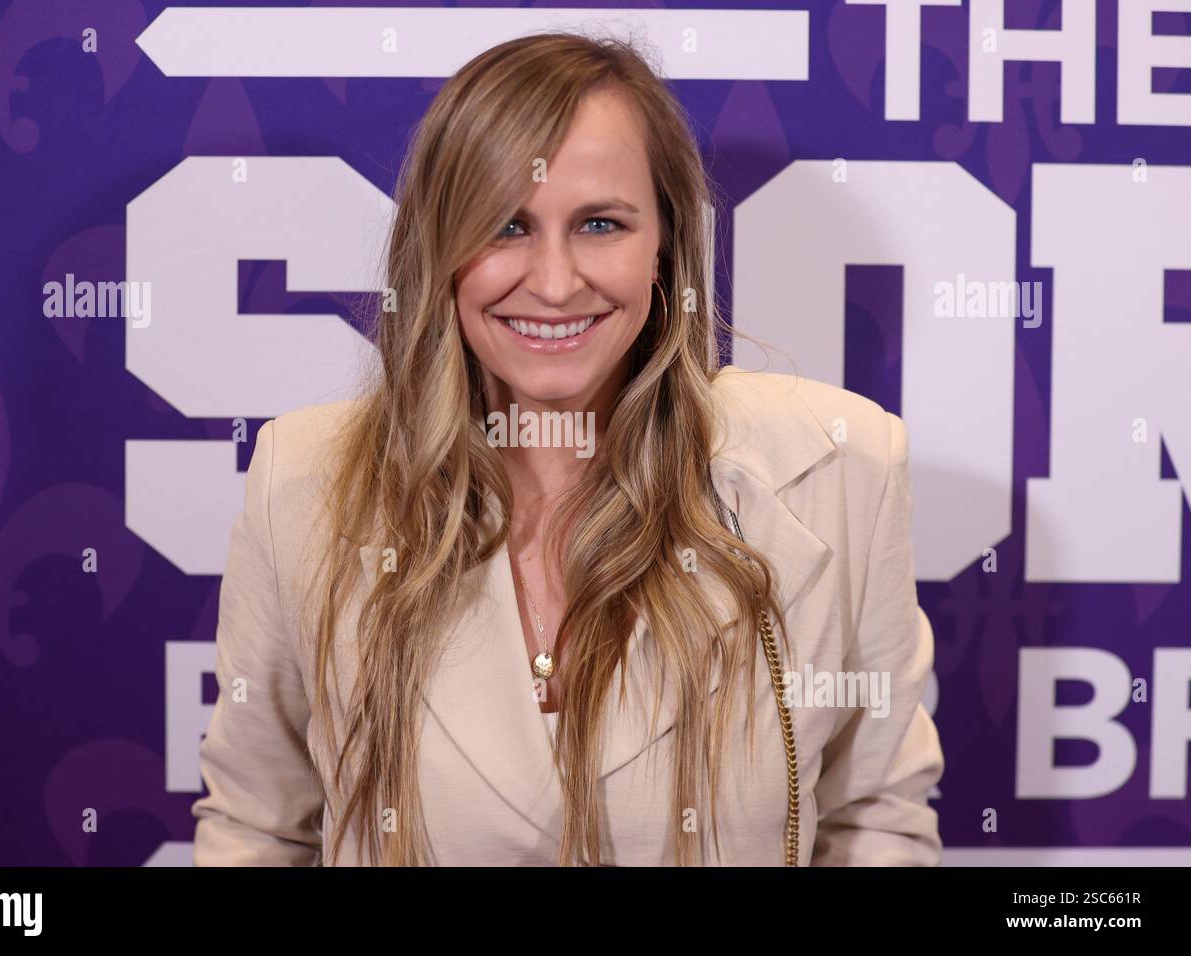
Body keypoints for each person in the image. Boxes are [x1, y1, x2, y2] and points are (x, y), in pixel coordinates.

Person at [191, 32, 944, 866]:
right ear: (439, 248)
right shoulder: (304, 482)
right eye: (507, 226)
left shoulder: (844, 468)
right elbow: (258, 830)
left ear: (665, 246)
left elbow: (875, 822)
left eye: (599, 223)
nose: (554, 283)